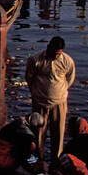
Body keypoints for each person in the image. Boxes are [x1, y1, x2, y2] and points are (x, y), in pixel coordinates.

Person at [25, 36, 75, 165]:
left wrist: (59, 92)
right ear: (48, 48)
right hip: (40, 103)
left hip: (59, 103)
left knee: (58, 134)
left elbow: (69, 79)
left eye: (59, 53)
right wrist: (37, 94)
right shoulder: (36, 60)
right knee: (39, 134)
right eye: (54, 53)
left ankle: (56, 161)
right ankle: (39, 160)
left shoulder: (67, 61)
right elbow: (29, 78)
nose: (56, 55)